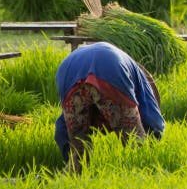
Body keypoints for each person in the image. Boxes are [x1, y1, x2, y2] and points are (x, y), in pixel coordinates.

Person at [54, 42, 165, 174]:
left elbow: (62, 128)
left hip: (67, 70)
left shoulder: (127, 65)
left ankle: (68, 184)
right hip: (110, 66)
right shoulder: (140, 78)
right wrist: (154, 140)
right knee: (136, 146)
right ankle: (141, 180)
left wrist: (69, 151)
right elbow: (153, 119)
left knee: (78, 156)